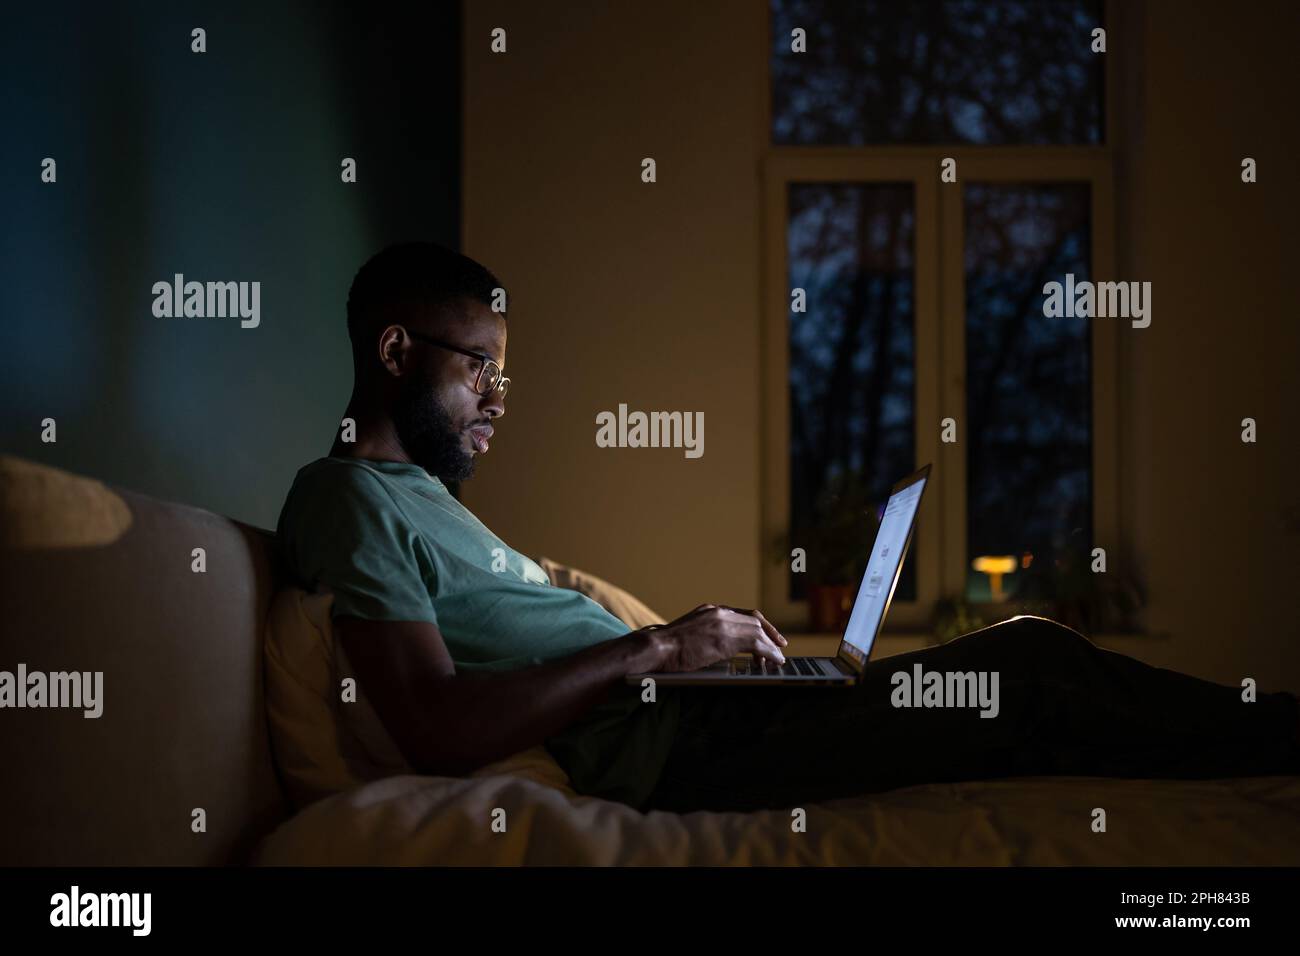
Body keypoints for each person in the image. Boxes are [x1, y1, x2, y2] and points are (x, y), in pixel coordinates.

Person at [277, 242, 1300, 814]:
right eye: (479, 366)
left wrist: (691, 656)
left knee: (1023, 657)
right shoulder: (346, 499)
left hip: (709, 715)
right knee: (1022, 667)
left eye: (507, 369)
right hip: (689, 761)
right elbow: (435, 723)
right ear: (398, 349)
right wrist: (667, 646)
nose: (500, 396)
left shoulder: (429, 504)